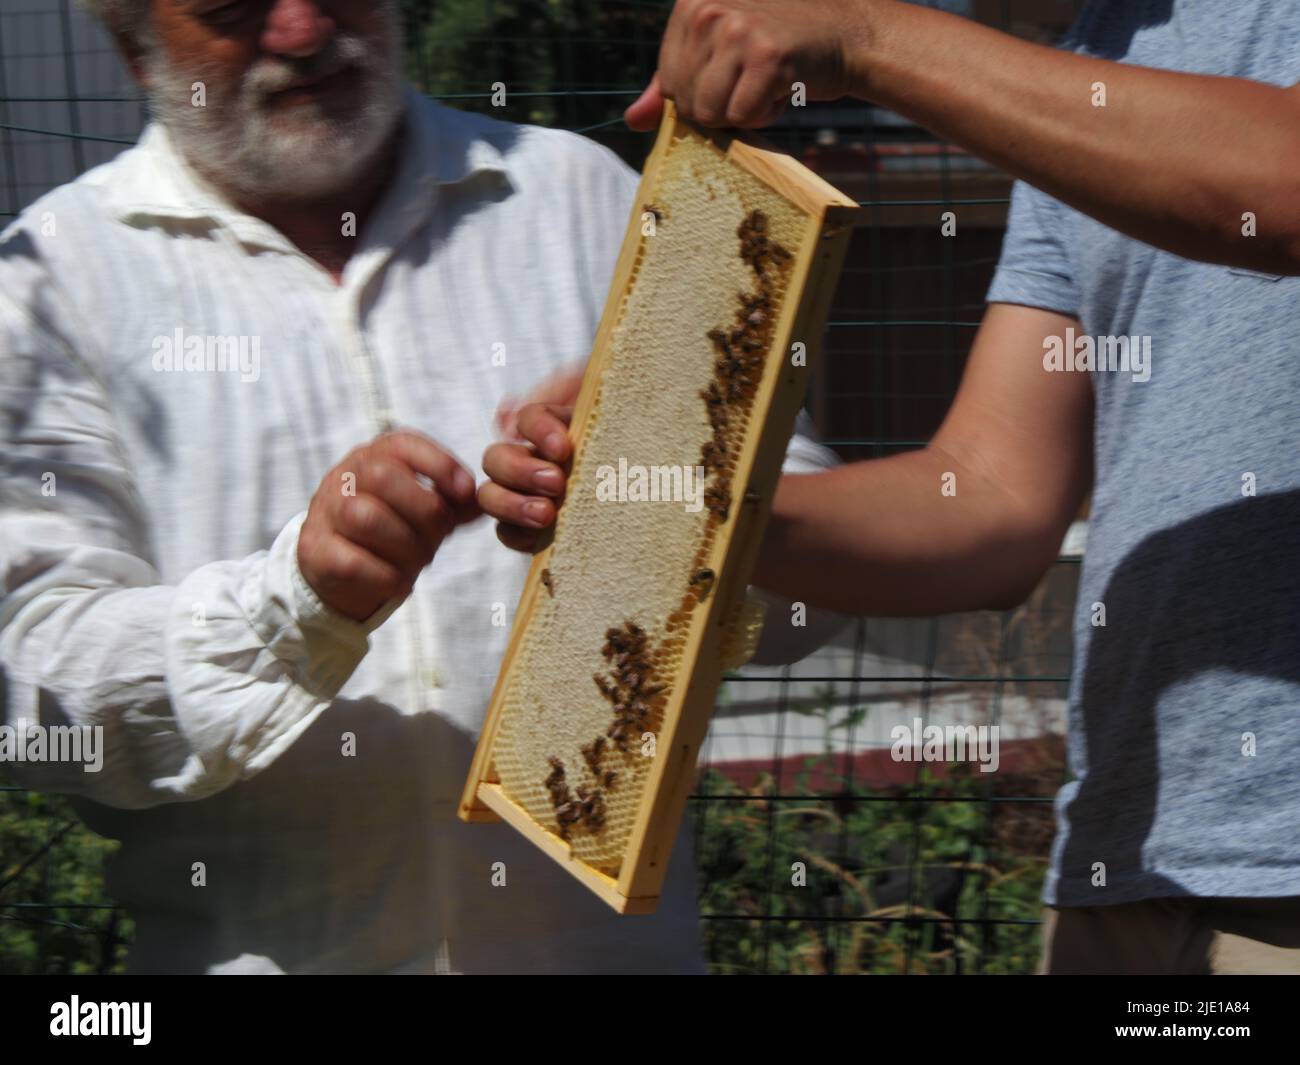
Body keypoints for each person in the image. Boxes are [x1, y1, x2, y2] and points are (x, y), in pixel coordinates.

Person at [0, 0, 838, 973]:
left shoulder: (577, 197)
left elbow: (806, 598)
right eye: (233, 8)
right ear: (134, 49)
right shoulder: (48, 288)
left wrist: (667, 503)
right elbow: (30, 694)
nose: (303, 30)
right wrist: (291, 605)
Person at [483, 0, 1300, 974]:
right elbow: (989, 496)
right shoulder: (1090, 61)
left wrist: (867, 38)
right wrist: (690, 492)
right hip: (1126, 881)